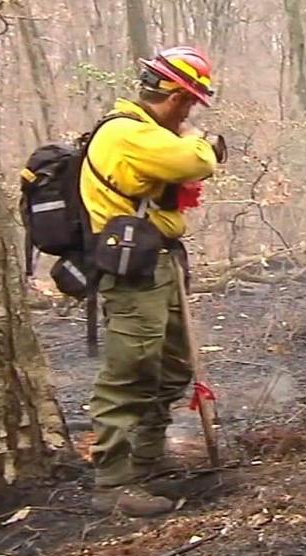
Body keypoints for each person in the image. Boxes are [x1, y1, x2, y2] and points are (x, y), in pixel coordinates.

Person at [81, 45, 224, 516]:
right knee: (131, 370)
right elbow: (196, 161)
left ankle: (146, 457)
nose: (187, 112)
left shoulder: (144, 134)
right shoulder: (127, 133)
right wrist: (199, 141)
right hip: (132, 270)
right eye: (187, 103)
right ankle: (115, 482)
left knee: (173, 367)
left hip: (157, 260)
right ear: (175, 96)